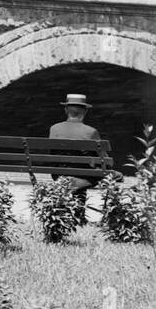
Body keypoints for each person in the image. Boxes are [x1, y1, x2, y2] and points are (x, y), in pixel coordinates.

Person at [49, 93, 101, 221]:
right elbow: (103, 159)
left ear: (66, 110)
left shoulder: (54, 129)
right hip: (84, 177)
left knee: (80, 171)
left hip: (59, 175)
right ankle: (78, 215)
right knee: (94, 171)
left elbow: (52, 153)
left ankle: (74, 214)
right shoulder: (91, 132)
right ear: (85, 111)